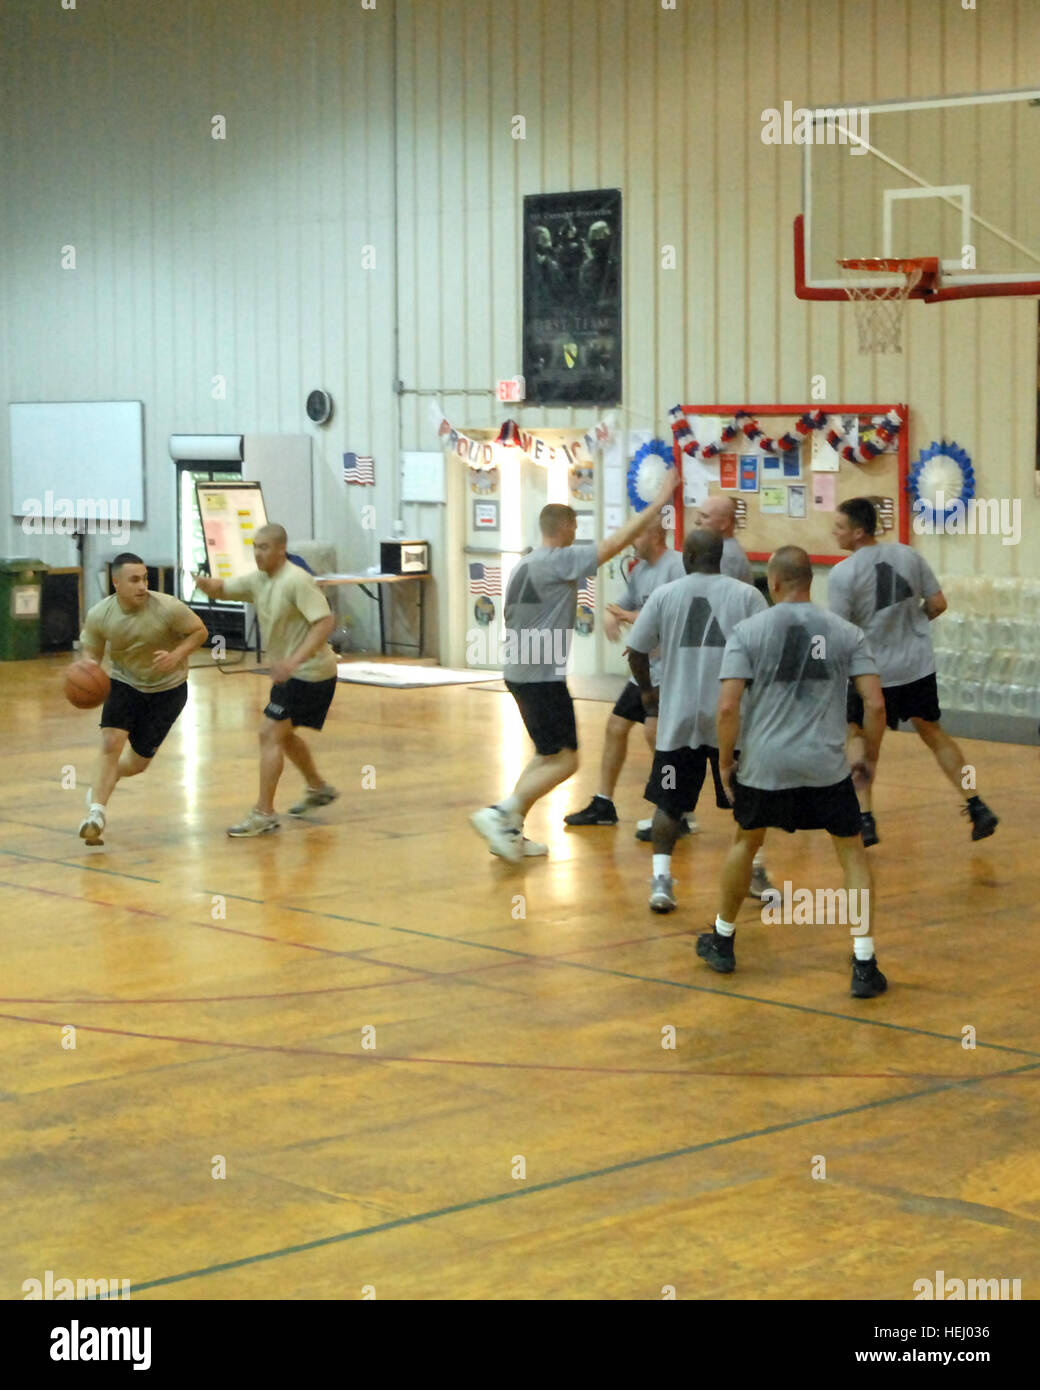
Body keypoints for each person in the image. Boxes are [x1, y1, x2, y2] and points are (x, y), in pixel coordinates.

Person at [697, 546, 888, 999]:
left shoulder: (747, 631)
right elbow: (876, 704)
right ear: (810, 582)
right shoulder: (847, 632)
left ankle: (722, 941)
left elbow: (727, 708)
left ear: (775, 584)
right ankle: (863, 962)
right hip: (826, 767)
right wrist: (870, 757)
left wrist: (726, 763)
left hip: (766, 766)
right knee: (852, 854)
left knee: (747, 842)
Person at [470, 468, 679, 863]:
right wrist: (657, 503)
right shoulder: (558, 561)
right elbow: (614, 544)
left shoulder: (526, 563)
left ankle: (510, 830)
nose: (576, 533)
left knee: (546, 755)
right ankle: (500, 813)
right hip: (541, 677)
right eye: (576, 525)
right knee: (568, 759)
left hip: (519, 671)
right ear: (565, 526)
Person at [829, 498, 998, 845]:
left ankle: (865, 817)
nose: (834, 532)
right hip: (916, 665)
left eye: (840, 527)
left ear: (858, 533)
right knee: (934, 734)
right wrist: (914, 623)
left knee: (857, 736)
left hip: (872, 671)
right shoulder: (910, 555)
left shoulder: (843, 573)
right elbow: (938, 604)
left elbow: (840, 631)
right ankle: (976, 804)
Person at [626, 530, 769, 913]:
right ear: (719, 557)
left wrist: (648, 694)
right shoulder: (748, 595)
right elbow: (767, 653)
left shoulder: (664, 595)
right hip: (732, 720)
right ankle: (755, 871)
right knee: (747, 802)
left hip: (679, 722)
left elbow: (636, 652)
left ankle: (661, 881)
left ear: (688, 555)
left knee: (669, 803)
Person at [193, 524, 339, 837]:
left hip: (310, 673)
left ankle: (264, 813)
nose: (258, 553)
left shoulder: (297, 581)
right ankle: (317, 787)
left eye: (264, 547)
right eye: (255, 547)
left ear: (281, 549)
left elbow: (325, 622)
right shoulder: (259, 580)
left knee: (269, 733)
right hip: (291, 674)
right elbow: (223, 589)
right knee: (282, 735)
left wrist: (294, 660)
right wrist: (206, 585)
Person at [77, 553, 209, 845]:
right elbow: (92, 657)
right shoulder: (100, 614)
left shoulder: (167, 607)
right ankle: (96, 812)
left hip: (168, 690)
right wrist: (86, 673)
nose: (142, 586)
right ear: (116, 582)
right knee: (111, 743)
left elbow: (200, 631)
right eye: (134, 580)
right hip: (124, 683)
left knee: (137, 764)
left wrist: (176, 655)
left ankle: (104, 782)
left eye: (145, 578)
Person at [564, 519, 685, 834]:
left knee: (655, 736)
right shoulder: (640, 571)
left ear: (656, 535)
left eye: (637, 535)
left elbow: (675, 618)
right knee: (616, 727)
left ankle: (674, 810)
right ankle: (604, 803)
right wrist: (609, 615)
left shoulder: (675, 568)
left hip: (669, 671)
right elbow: (621, 605)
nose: (631, 542)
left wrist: (632, 619)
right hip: (644, 669)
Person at [693, 496, 755, 585]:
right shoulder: (723, 548)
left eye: (705, 516)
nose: (697, 521)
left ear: (724, 523)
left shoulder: (724, 555)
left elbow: (720, 594)